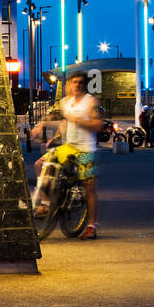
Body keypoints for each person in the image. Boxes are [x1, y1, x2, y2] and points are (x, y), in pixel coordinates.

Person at [32, 74, 103, 238]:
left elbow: (97, 125)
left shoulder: (89, 102)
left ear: (83, 85)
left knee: (89, 187)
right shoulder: (65, 102)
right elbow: (56, 118)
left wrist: (79, 121)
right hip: (68, 147)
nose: (76, 85)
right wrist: (42, 127)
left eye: (80, 83)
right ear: (69, 85)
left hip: (85, 149)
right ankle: (45, 202)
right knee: (40, 164)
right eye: (74, 82)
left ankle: (91, 226)